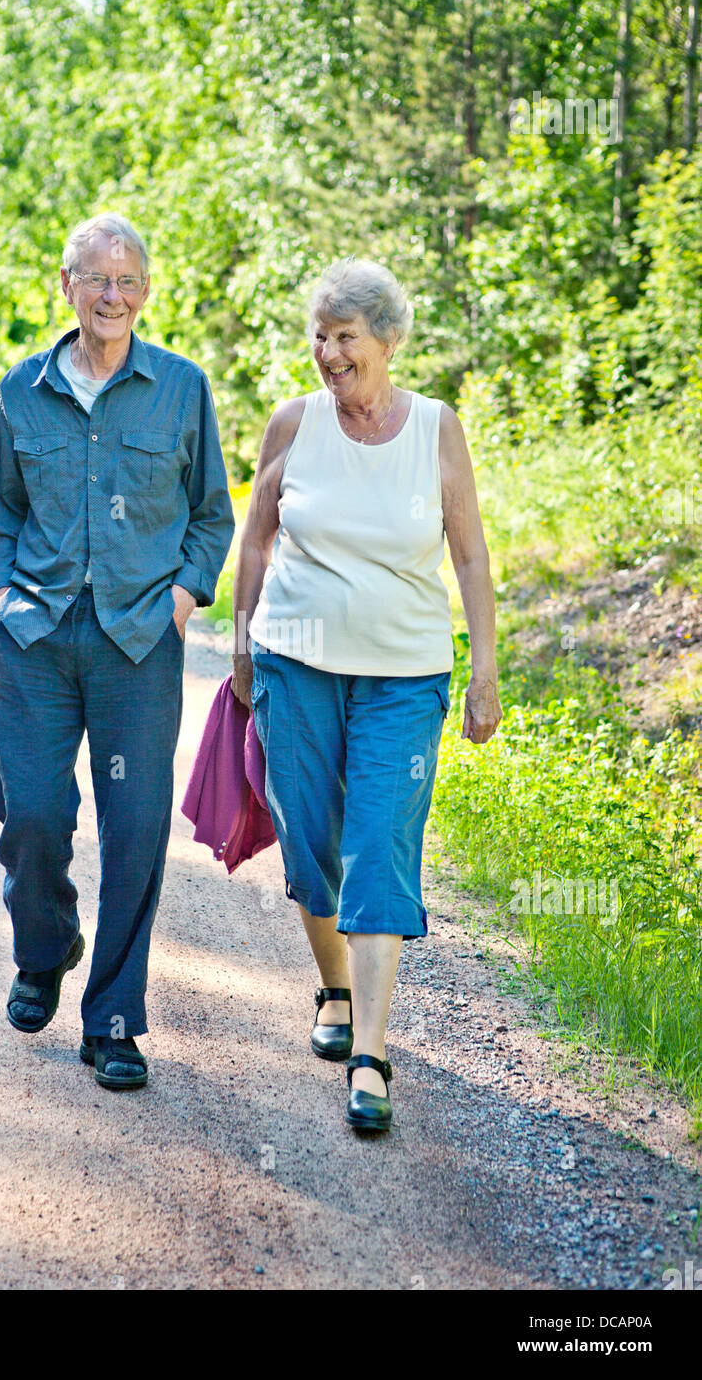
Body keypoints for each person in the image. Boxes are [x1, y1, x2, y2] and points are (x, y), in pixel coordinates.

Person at [231, 257, 501, 1131]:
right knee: (310, 842)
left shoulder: (435, 429)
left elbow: (468, 553)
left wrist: (486, 665)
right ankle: (334, 988)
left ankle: (372, 1055)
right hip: (294, 666)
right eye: (320, 335)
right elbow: (258, 537)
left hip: (403, 676)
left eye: (346, 337)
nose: (329, 353)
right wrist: (241, 642)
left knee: (379, 844)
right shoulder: (294, 424)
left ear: (387, 341)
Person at [0, 213, 234, 1091]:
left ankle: (114, 1020)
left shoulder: (182, 389)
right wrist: (4, 597)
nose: (112, 296)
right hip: (38, 640)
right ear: (67, 284)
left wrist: (187, 595)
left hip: (138, 644)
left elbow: (211, 515)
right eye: (96, 280)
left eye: (127, 281)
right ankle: (44, 950)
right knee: (34, 815)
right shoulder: (18, 391)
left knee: (136, 833)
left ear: (145, 290)